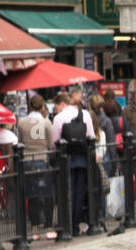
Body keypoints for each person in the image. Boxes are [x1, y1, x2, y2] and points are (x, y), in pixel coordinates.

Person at [51, 86, 95, 236]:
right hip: (82, 159)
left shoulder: (58, 118)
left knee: (66, 193)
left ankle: (67, 225)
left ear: (62, 104)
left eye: (56, 107)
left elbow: (55, 142)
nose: (55, 110)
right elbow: (91, 136)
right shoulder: (85, 114)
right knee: (79, 192)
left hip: (66, 160)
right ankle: (76, 225)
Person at [17, 94, 54, 232]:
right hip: (42, 160)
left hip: (27, 161)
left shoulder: (21, 122)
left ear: (30, 106)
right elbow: (51, 145)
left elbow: (19, 143)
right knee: (47, 193)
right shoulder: (46, 123)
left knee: (32, 196)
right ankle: (49, 225)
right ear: (42, 106)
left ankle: (34, 226)